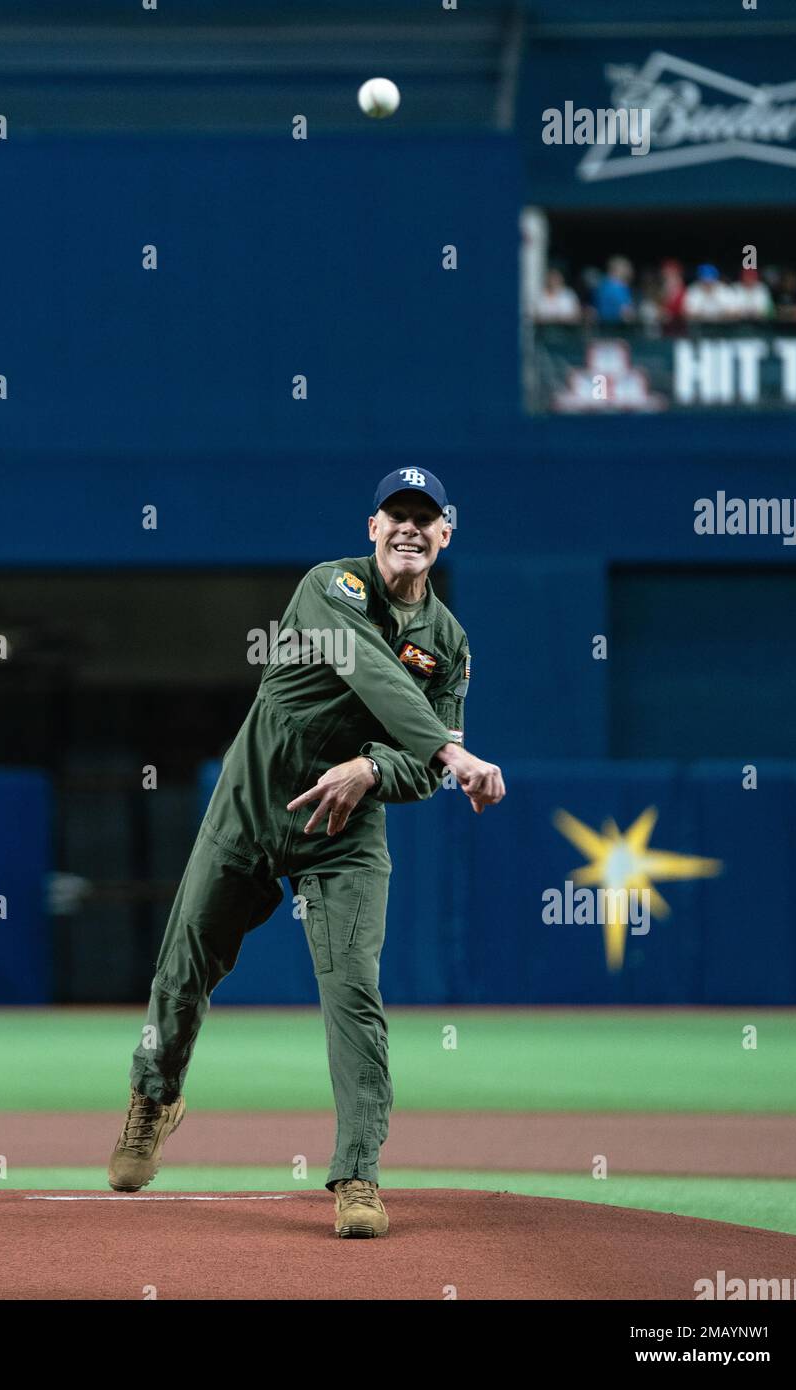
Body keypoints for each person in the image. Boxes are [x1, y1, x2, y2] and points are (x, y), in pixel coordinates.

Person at [107, 469, 506, 1238]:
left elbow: (417, 770)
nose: (409, 529)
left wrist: (373, 768)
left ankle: (357, 1174)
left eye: (425, 519)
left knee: (353, 990)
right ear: (372, 525)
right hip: (250, 810)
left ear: (445, 535)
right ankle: (153, 1096)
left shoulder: (449, 643)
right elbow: (372, 673)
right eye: (397, 515)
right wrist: (450, 756)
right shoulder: (330, 588)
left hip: (343, 835)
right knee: (182, 968)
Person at [592, 256, 635, 324]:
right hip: (616, 328)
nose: (629, 271)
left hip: (602, 327)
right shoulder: (616, 287)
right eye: (625, 267)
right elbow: (626, 313)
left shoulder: (601, 284)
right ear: (616, 269)